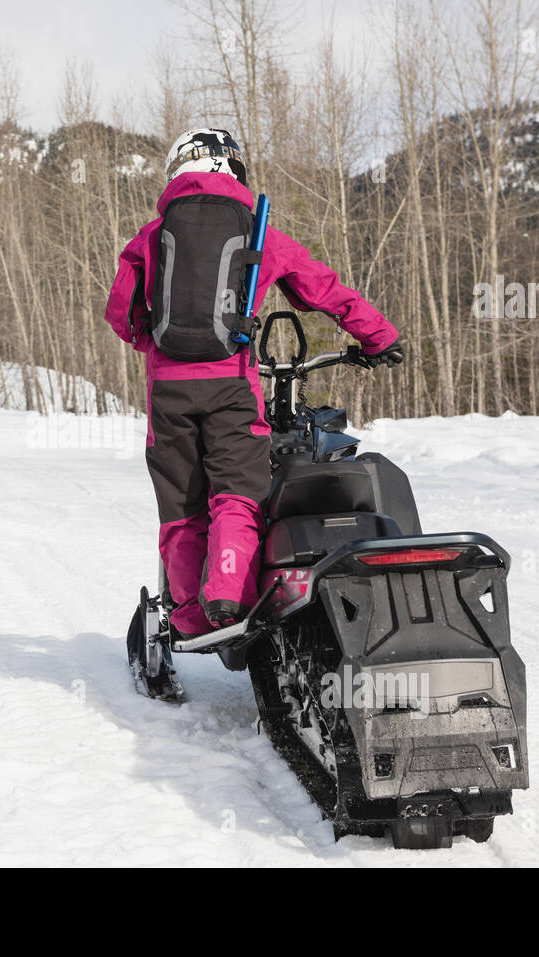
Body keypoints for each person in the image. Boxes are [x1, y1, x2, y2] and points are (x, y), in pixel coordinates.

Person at [104, 129, 403, 640]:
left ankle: (189, 617)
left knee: (181, 506)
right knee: (237, 492)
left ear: (178, 169)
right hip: (230, 387)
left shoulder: (150, 236)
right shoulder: (258, 233)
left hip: (168, 392)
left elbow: (121, 314)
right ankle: (228, 594)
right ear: (235, 170)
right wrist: (379, 337)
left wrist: (151, 346)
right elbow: (324, 288)